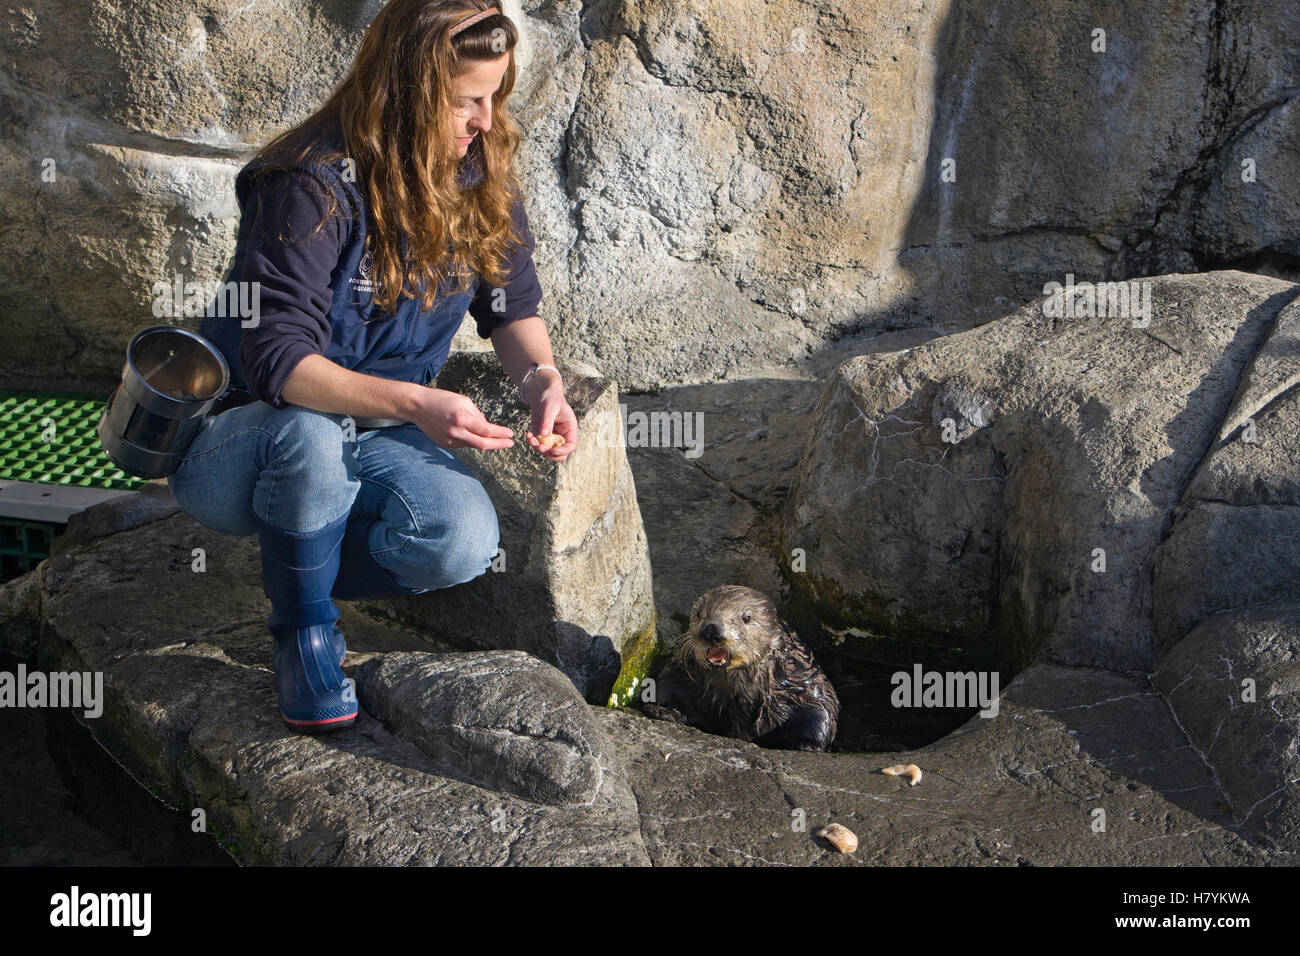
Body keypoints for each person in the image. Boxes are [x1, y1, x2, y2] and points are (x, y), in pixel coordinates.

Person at [168, 0, 577, 734]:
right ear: (410, 91)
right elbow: (279, 360)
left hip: (376, 431)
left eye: (494, 96)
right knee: (310, 436)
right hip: (243, 438)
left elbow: (510, 307)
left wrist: (541, 378)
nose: (486, 120)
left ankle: (297, 552)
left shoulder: (476, 172)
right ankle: (304, 631)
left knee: (459, 542)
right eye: (465, 102)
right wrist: (419, 404)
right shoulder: (307, 183)